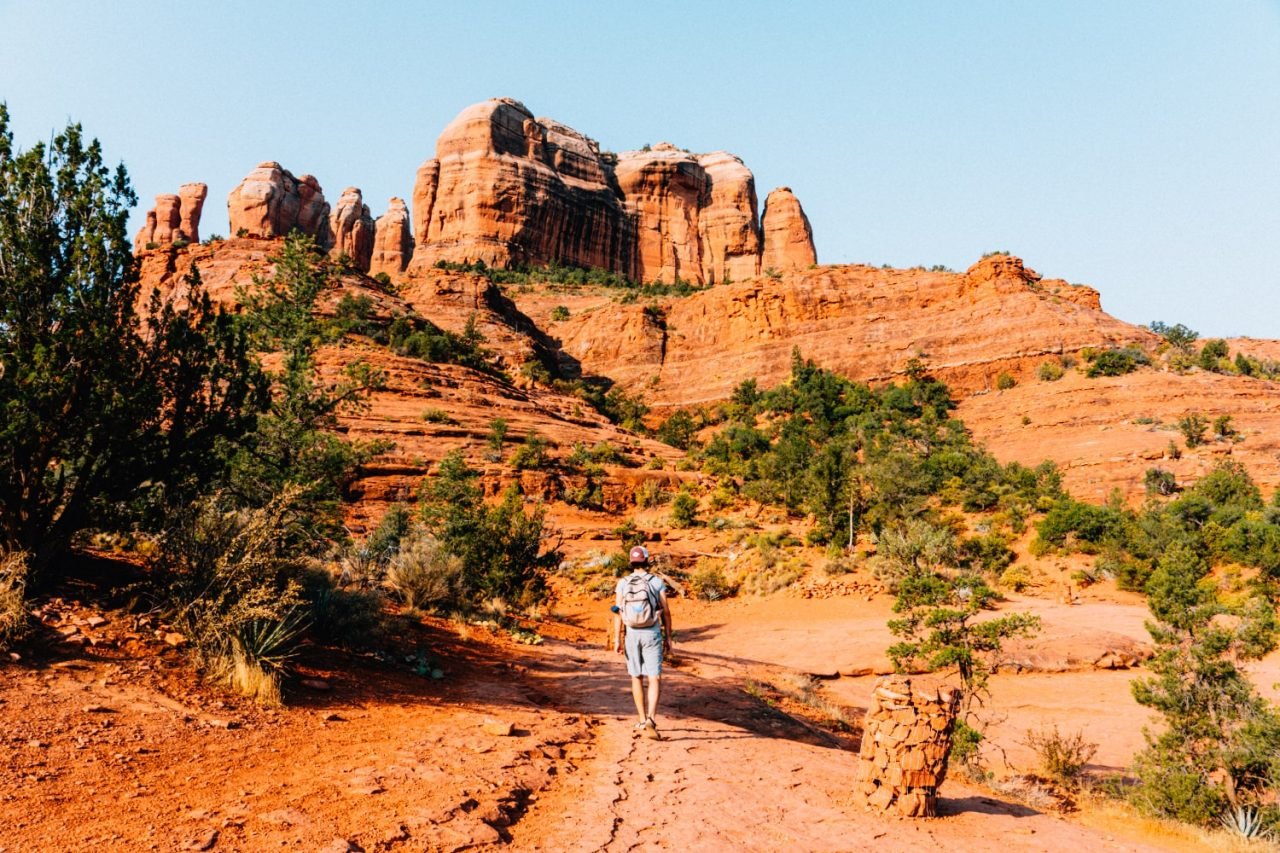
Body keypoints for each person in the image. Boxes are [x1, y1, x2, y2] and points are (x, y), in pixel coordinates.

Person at [612, 545, 673, 740]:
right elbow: (666, 610)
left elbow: (617, 612)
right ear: (647, 561)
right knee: (654, 677)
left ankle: (640, 719)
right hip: (652, 633)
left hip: (631, 634)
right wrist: (669, 638)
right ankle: (651, 719)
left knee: (636, 676)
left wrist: (617, 638)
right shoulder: (656, 582)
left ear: (631, 562)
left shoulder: (623, 583)